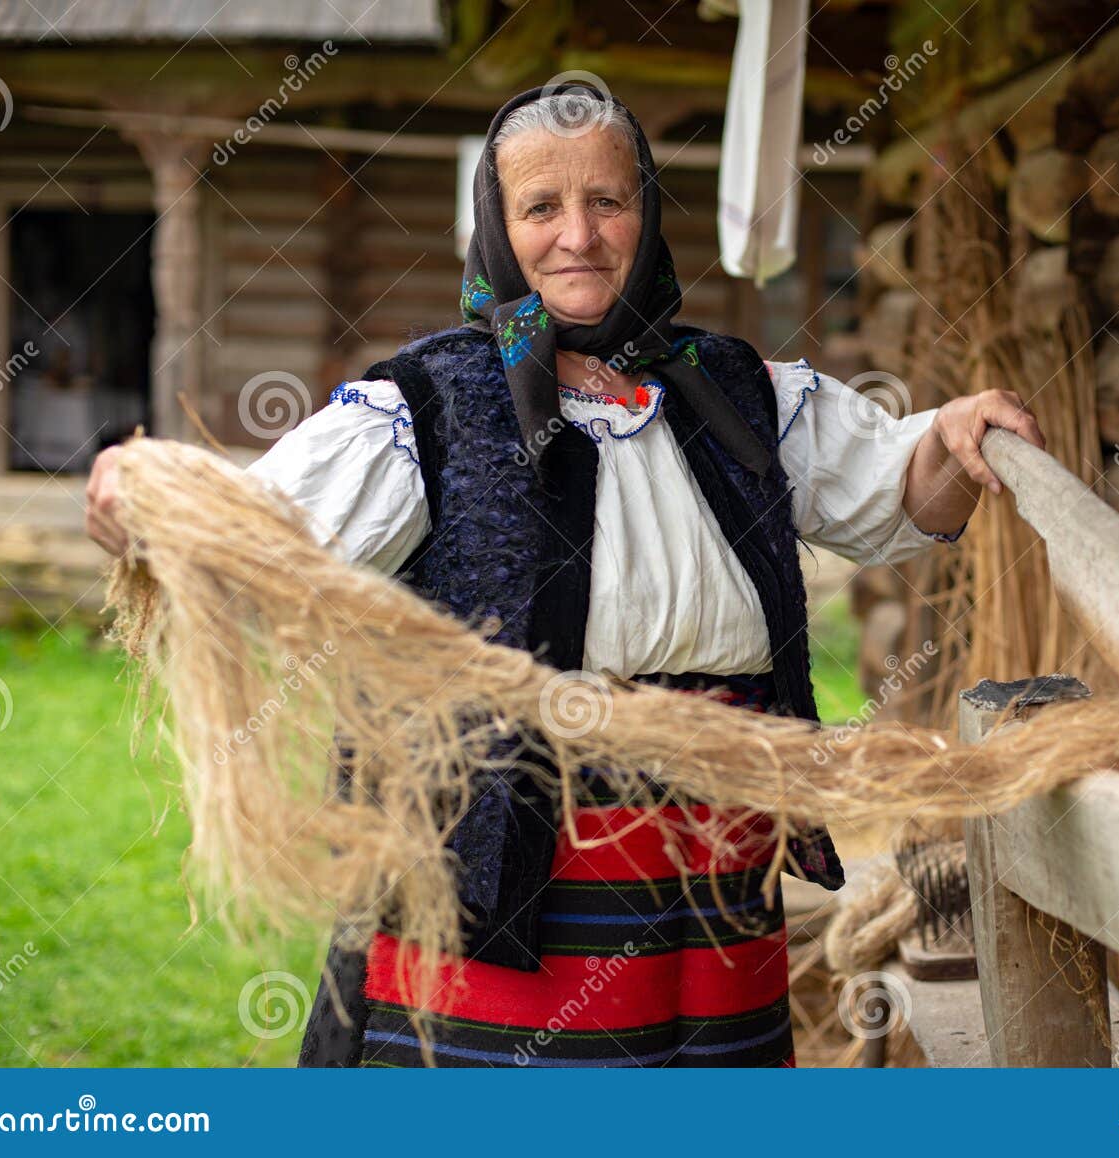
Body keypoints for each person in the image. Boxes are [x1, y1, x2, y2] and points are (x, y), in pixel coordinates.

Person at [84, 83, 1045, 1068]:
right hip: (512, 878)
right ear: (497, 230)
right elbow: (262, 534)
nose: (577, 234)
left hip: (721, 864)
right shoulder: (426, 405)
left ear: (648, 211)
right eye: (541, 207)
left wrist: (955, 431)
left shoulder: (733, 389)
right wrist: (150, 502)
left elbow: (897, 489)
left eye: (607, 201)